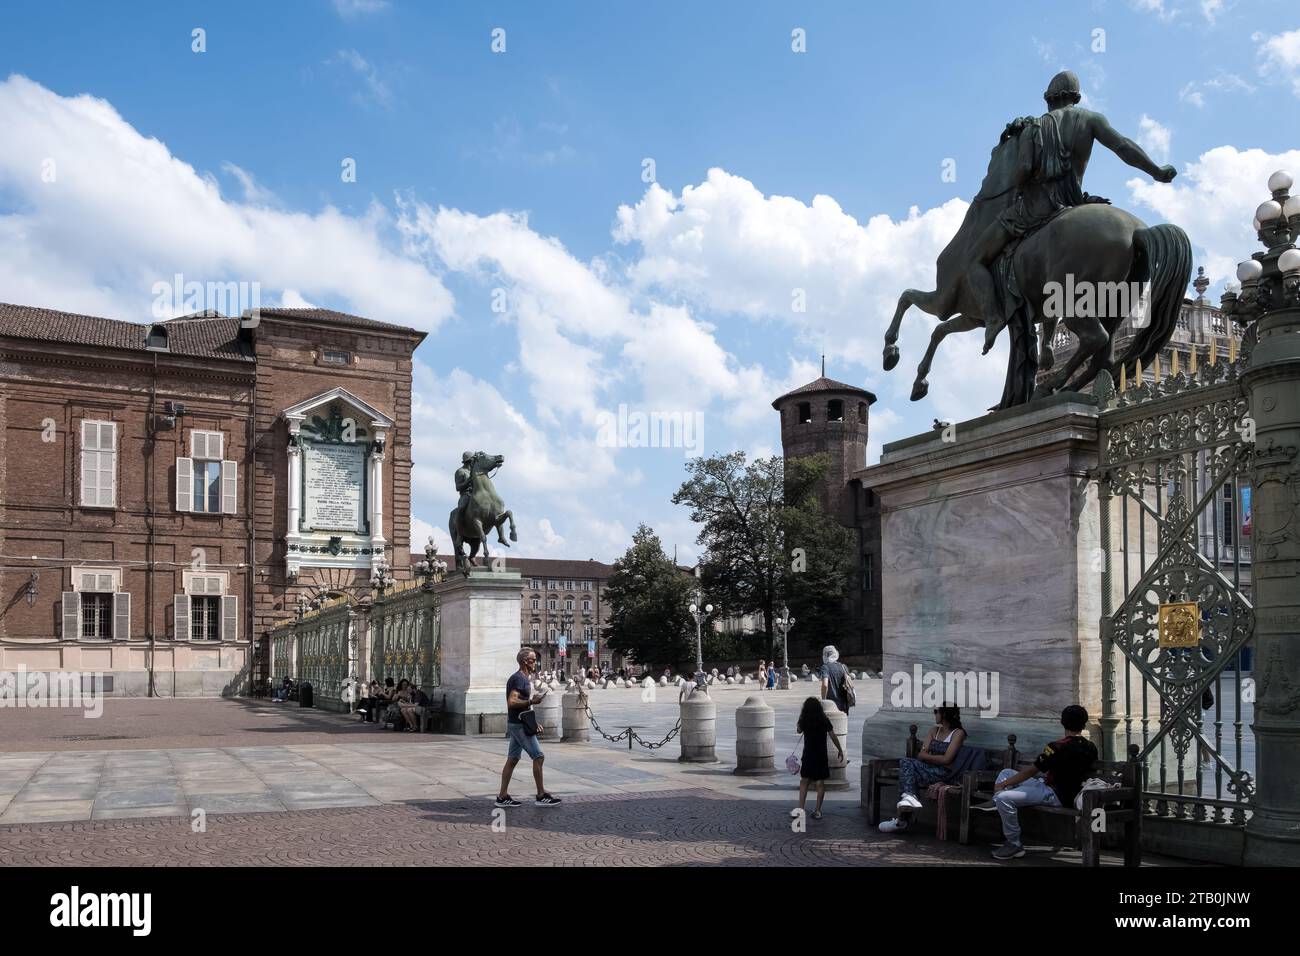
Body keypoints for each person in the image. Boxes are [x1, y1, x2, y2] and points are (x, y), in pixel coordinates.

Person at [969, 70, 1178, 353]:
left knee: (976, 259)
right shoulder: (1091, 119)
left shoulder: (1036, 126)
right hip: (1072, 203)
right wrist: (1156, 170)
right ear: (1075, 97)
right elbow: (1123, 147)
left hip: (1035, 210)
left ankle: (993, 317)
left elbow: (1021, 173)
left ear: (1048, 99)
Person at [984, 704, 1098, 860]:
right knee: (1006, 773)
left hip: (1054, 794)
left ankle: (1013, 843)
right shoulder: (1091, 747)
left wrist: (1002, 786)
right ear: (1084, 724)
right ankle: (999, 803)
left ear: (1062, 722)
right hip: (1059, 790)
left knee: (1003, 797)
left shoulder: (1056, 746)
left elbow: (1032, 771)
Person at [878, 704, 970, 834]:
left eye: (936, 711)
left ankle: (902, 818)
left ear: (944, 714)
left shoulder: (958, 733)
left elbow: (947, 760)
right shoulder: (934, 731)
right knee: (907, 766)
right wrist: (934, 758)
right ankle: (908, 802)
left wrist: (929, 757)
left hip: (945, 774)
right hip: (928, 770)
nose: (935, 714)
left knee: (908, 768)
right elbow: (921, 755)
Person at [496, 647, 562, 808]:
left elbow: (520, 704)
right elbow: (511, 702)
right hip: (518, 725)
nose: (536, 662)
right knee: (538, 756)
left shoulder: (522, 678)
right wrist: (531, 701)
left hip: (518, 722)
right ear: (526, 661)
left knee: (512, 759)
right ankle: (541, 794)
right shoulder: (520, 679)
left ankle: (502, 796)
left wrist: (532, 722)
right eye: (533, 660)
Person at [792, 697, 844, 820]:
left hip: (808, 754)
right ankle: (818, 810)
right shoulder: (824, 719)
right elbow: (833, 735)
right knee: (820, 783)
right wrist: (840, 749)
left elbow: (798, 730)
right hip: (821, 754)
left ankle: (800, 809)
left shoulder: (805, 719)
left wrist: (800, 720)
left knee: (804, 781)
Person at [819, 645, 853, 715]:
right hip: (844, 703)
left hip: (831, 704)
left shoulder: (825, 667)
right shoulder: (843, 666)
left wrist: (823, 700)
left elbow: (825, 685)